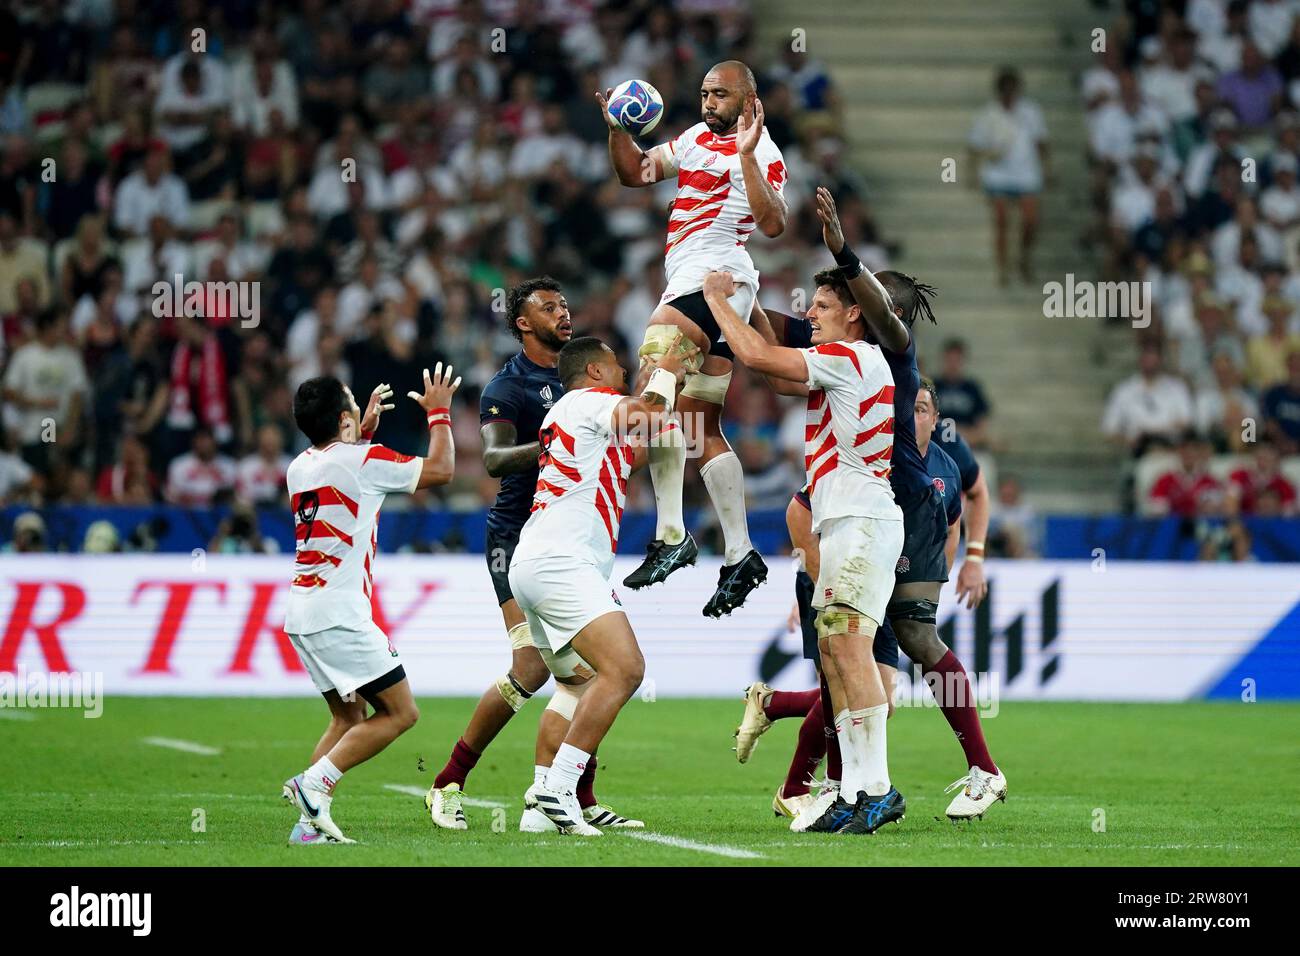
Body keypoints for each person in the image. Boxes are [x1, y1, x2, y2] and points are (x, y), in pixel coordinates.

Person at [425, 278, 640, 832]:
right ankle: (449, 780)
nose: (562, 313)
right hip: (517, 536)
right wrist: (554, 439)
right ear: (522, 322)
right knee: (533, 666)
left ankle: (568, 796)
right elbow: (494, 461)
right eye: (548, 308)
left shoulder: (582, 377)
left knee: (582, 674)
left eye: (565, 304)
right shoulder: (509, 385)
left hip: (567, 533)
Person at [702, 265, 906, 835]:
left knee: (849, 648)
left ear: (854, 313)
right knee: (837, 655)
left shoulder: (854, 357)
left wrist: (719, 303)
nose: (810, 314)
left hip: (862, 519)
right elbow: (781, 379)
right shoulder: (840, 367)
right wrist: (750, 302)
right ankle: (851, 790)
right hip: (842, 522)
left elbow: (763, 360)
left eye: (821, 305)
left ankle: (878, 788)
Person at [598, 59, 788, 617]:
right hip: (710, 284)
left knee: (653, 377)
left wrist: (749, 154)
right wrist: (618, 129)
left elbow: (773, 223)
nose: (709, 102)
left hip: (714, 276)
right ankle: (741, 552)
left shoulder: (764, 151)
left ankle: (671, 531)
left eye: (720, 94)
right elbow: (635, 173)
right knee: (700, 423)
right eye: (704, 92)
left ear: (749, 100)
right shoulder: (694, 138)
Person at [507, 334, 694, 834]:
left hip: (538, 561)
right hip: (560, 562)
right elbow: (649, 415)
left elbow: (653, 434)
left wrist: (669, 399)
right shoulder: (589, 403)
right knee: (626, 668)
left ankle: (537, 806)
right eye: (617, 368)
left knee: (577, 684)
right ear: (593, 374)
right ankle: (559, 789)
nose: (624, 375)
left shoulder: (578, 420)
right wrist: (668, 369)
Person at [280, 368, 458, 844]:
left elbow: (345, 473)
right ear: (343, 419)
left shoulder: (298, 466)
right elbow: (441, 470)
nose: (361, 408)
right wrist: (439, 411)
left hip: (302, 612)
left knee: (347, 717)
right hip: (339, 614)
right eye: (352, 405)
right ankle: (312, 785)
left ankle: (308, 824)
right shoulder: (364, 458)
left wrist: (360, 430)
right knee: (401, 713)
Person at [967, 67, 1050, 285]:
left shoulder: (1031, 112)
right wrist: (974, 171)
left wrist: (1048, 169)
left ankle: (1024, 257)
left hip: (1026, 173)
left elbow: (1041, 142)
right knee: (1002, 220)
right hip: (999, 175)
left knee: (1031, 221)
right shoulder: (988, 114)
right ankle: (1003, 268)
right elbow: (975, 147)